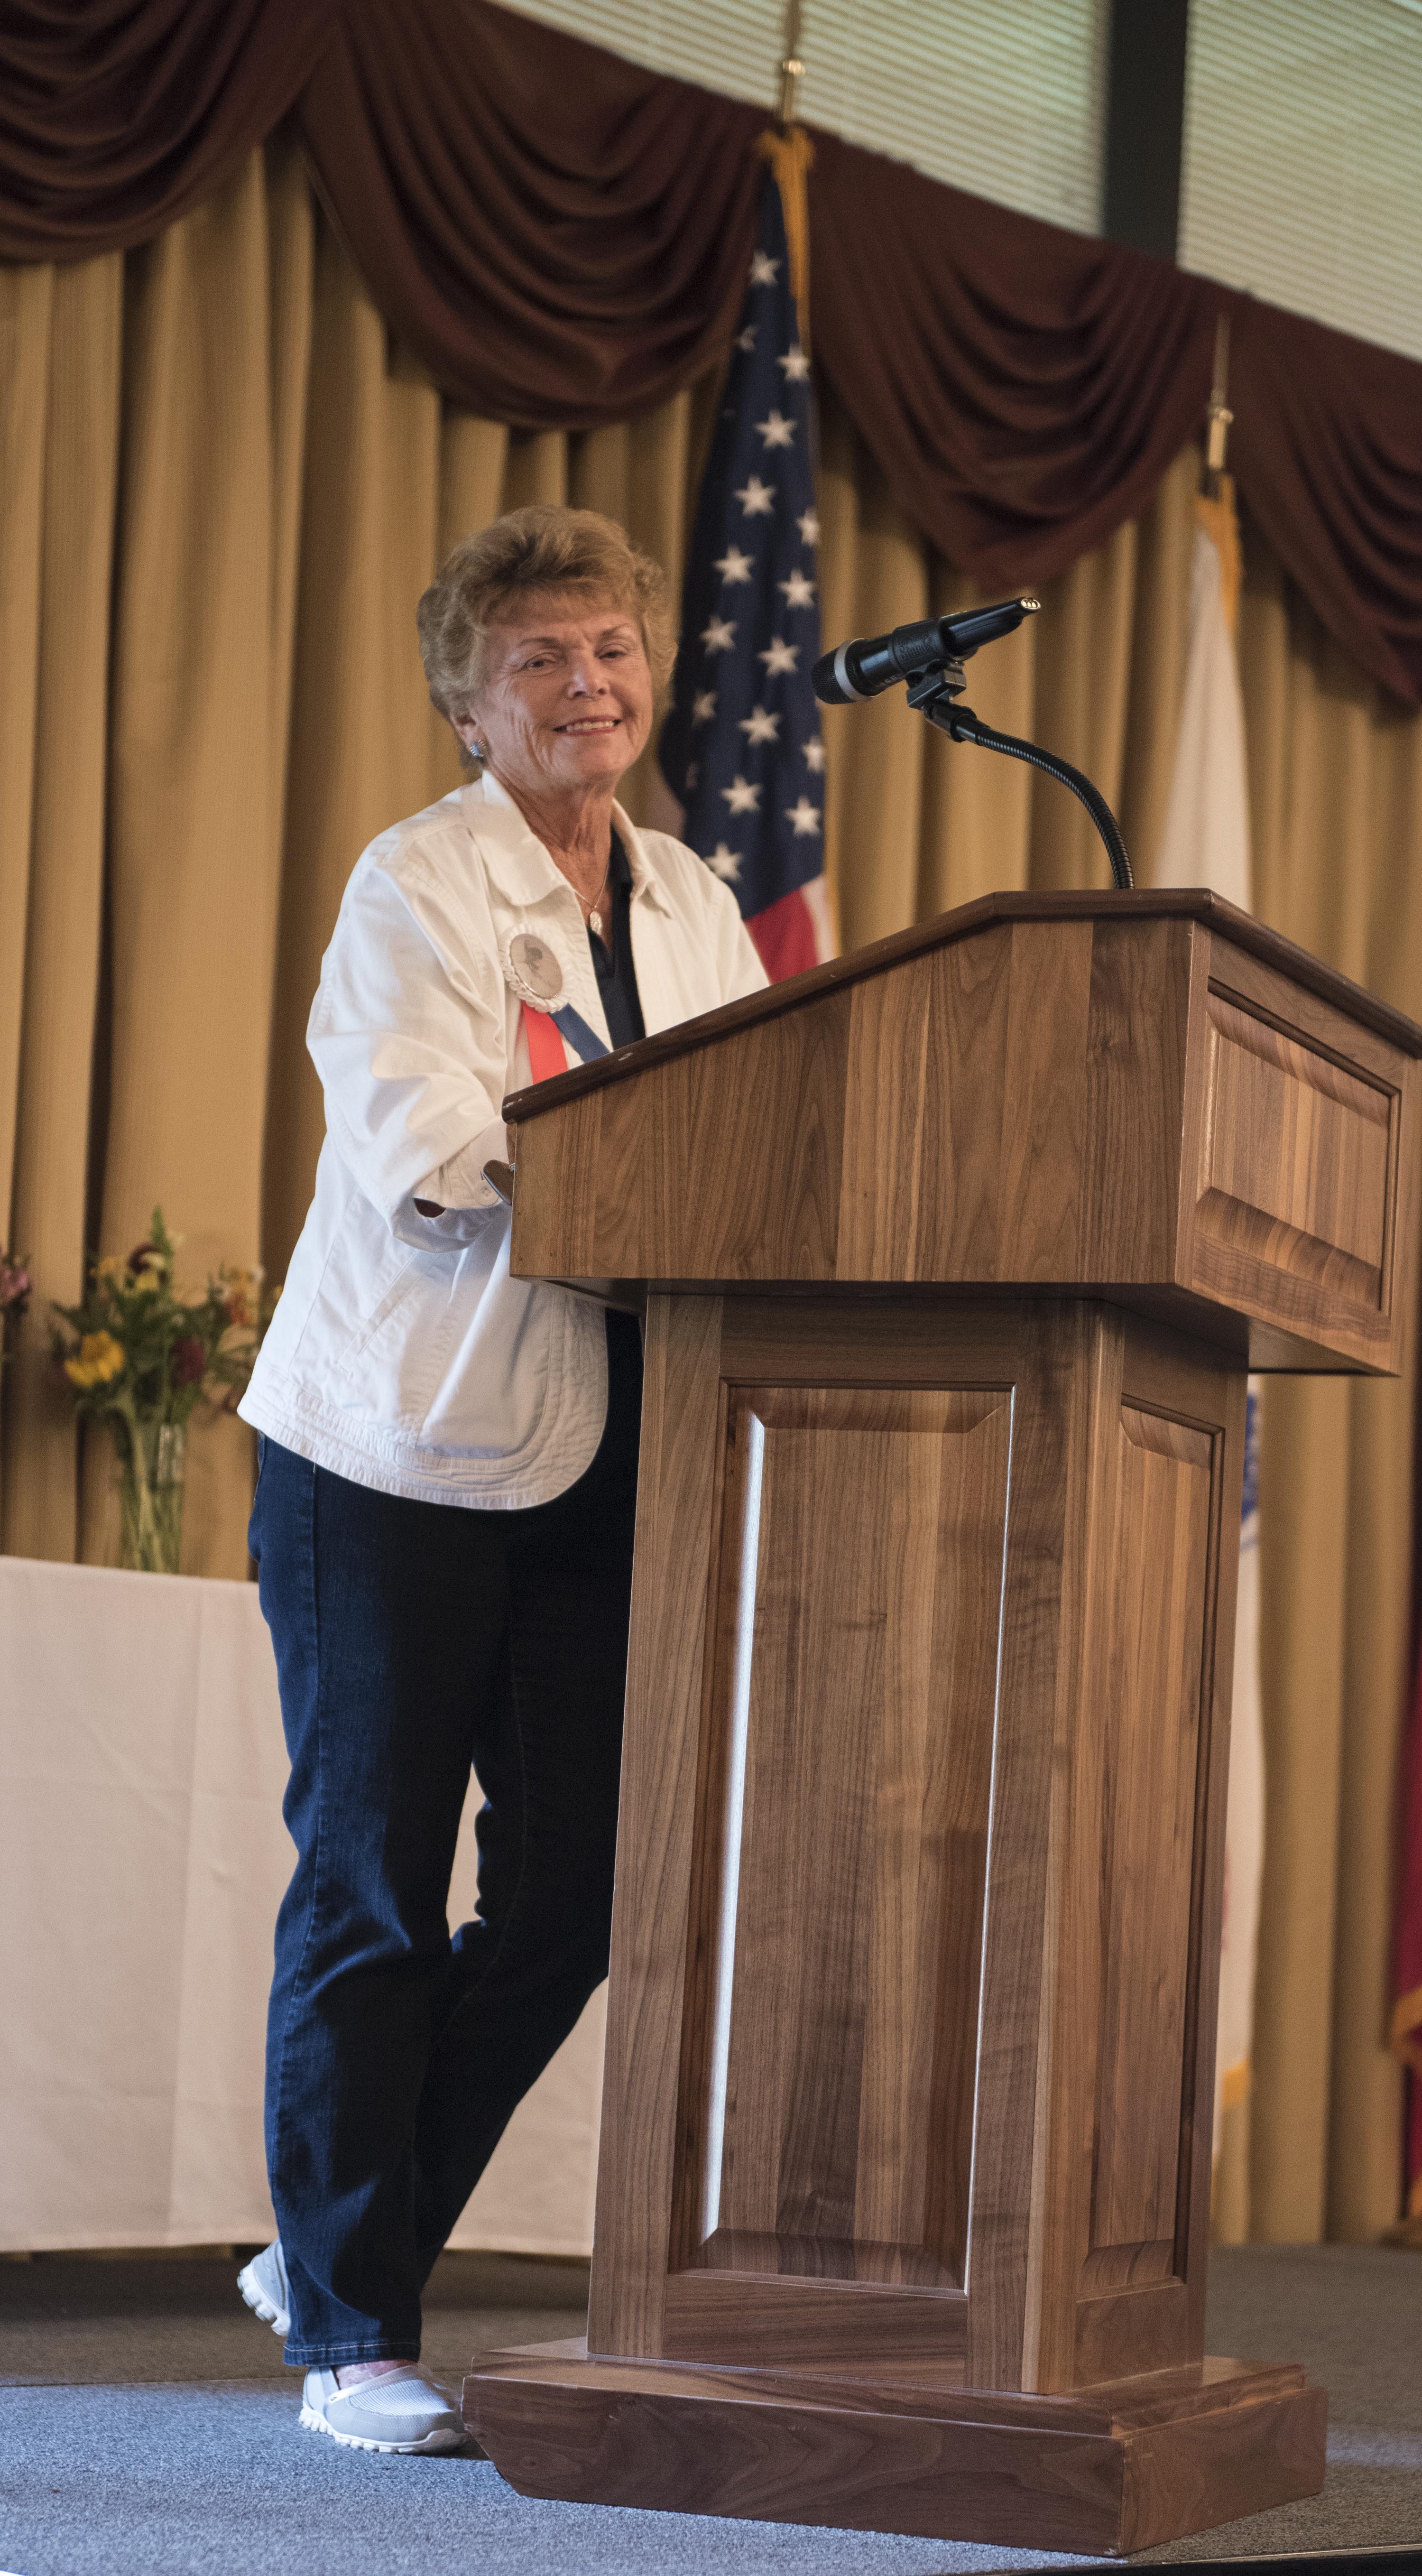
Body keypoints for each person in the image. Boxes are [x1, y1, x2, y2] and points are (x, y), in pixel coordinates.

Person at [235, 504, 768, 2453]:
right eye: (539, 657)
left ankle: (329, 2240)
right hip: (391, 1448)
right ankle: (352, 2331)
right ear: (470, 706)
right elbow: (428, 1144)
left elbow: (761, 1118)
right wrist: (658, 1174)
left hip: (615, 1448)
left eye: (611, 647)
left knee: (572, 1899)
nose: (587, 682)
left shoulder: (694, 898)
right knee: (371, 1887)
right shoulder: (415, 880)